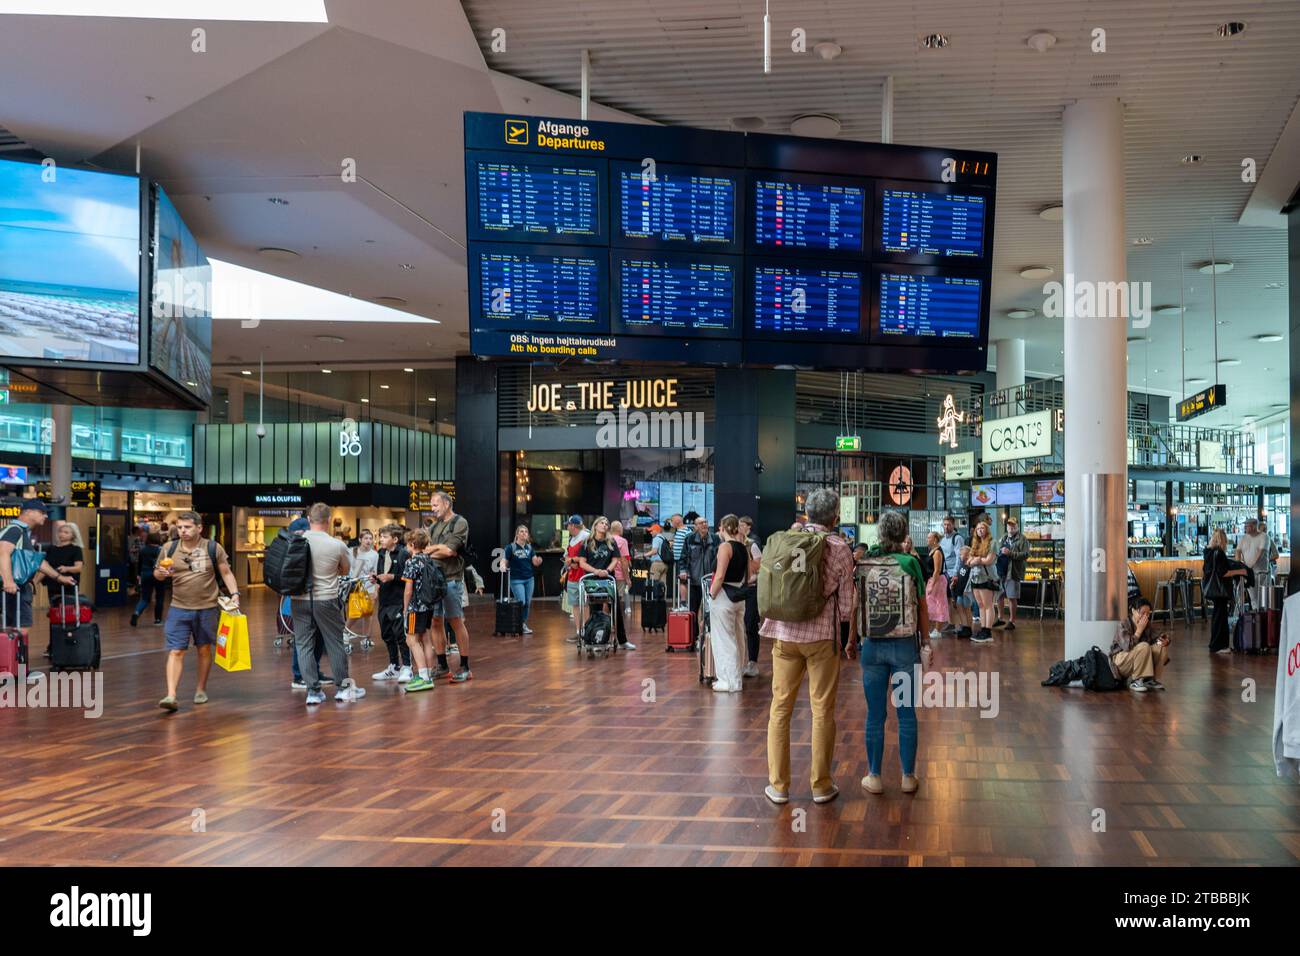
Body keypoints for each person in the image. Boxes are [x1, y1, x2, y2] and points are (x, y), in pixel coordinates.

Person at [763, 488, 855, 806]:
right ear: (834, 516)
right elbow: (846, 606)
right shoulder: (839, 547)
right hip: (820, 638)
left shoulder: (788, 538)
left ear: (807, 514)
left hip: (784, 634)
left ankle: (779, 786)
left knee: (780, 710)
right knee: (821, 711)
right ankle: (820, 785)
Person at [858, 510, 931, 795]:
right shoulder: (911, 563)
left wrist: (852, 640)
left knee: (875, 715)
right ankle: (907, 777)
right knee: (906, 713)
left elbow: (856, 606)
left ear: (880, 534)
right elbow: (922, 607)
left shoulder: (865, 562)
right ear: (903, 535)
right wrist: (926, 641)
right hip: (903, 647)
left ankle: (874, 776)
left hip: (872, 645)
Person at [154, 511, 241, 711]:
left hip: (207, 608)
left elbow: (226, 572)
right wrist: (161, 573)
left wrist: (235, 594)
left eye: (187, 527)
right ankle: (171, 695)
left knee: (203, 649)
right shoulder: (169, 548)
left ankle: (200, 689)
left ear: (199, 528)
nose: (183, 531)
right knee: (176, 650)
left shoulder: (213, 547)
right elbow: (157, 575)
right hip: (178, 607)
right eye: (180, 527)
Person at [291, 502, 362, 705]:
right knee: (334, 642)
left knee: (303, 644)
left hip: (299, 599)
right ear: (328, 520)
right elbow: (346, 570)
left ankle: (313, 692)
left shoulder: (297, 540)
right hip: (326, 599)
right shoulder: (336, 544)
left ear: (309, 519)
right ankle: (343, 688)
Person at [0, 500, 76, 682]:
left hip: (17, 588)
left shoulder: (20, 532)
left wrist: (59, 577)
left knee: (15, 628)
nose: (46, 516)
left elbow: (37, 562)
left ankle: (15, 669)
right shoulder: (14, 530)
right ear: (30, 512)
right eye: (43, 512)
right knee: (20, 628)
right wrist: (8, 581)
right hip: (14, 588)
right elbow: (2, 552)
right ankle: (16, 671)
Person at [706, 515, 758, 693]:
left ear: (724, 527)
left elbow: (719, 575)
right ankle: (736, 680)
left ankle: (726, 680)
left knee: (723, 640)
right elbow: (750, 575)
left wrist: (711, 594)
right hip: (739, 597)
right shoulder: (744, 548)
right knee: (738, 637)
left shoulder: (725, 547)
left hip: (723, 596)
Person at [426, 491, 472, 682]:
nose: (433, 508)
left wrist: (432, 550)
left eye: (435, 504)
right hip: (433, 580)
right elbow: (426, 549)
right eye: (432, 505)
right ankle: (443, 666)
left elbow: (450, 551)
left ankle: (465, 666)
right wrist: (436, 549)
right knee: (435, 622)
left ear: (446, 503)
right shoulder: (434, 526)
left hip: (452, 579)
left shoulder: (460, 522)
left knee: (455, 621)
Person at [576, 516, 635, 651]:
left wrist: (607, 570)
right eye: (601, 523)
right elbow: (582, 562)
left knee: (617, 611)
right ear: (595, 526)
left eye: (606, 523)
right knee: (595, 610)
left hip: (608, 579)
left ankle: (623, 641)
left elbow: (616, 559)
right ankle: (595, 639)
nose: (604, 525)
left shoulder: (611, 542)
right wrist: (596, 571)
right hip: (592, 579)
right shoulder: (587, 542)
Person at [400, 528, 439, 692]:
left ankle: (423, 677)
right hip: (428, 605)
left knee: (412, 640)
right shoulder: (429, 559)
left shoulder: (412, 562)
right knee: (426, 639)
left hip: (415, 607)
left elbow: (408, 589)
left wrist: (405, 608)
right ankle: (429, 674)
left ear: (411, 544)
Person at [371, 524, 412, 682]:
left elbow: (408, 577)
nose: (381, 539)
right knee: (386, 634)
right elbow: (382, 575)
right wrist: (376, 579)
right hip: (384, 601)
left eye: (385, 537)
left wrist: (392, 577)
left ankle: (407, 666)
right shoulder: (381, 553)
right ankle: (394, 666)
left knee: (401, 635)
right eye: (381, 536)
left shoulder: (403, 554)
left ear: (395, 539)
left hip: (398, 600)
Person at [1110, 598, 1171, 691]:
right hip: (1121, 661)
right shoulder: (1123, 624)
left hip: (1136, 657)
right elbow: (1127, 647)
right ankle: (1136, 681)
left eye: (1148, 614)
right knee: (1144, 646)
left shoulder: (1147, 625)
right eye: (1142, 613)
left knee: (1160, 647)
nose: (1145, 617)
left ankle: (1149, 680)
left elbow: (1160, 635)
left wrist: (1165, 640)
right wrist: (1139, 631)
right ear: (1133, 611)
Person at [1205, 528, 1248, 654]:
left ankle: (1217, 644)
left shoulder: (1208, 553)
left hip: (1213, 589)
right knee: (1220, 617)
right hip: (1220, 590)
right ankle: (1218, 646)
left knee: (1217, 616)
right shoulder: (1219, 553)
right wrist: (1241, 571)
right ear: (1222, 540)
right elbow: (1223, 573)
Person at [992, 516, 1030, 630]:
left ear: (1017, 526)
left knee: (1012, 597)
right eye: (1009, 525)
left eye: (1013, 525)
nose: (1011, 527)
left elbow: (1026, 555)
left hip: (1013, 572)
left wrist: (1010, 553)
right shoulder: (1003, 537)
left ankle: (1012, 621)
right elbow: (998, 551)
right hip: (1001, 571)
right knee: (999, 596)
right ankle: (1000, 618)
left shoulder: (1023, 539)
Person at [504, 525, 542, 634]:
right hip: (516, 580)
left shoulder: (529, 548)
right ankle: (517, 623)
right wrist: (502, 565)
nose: (524, 533)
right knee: (521, 601)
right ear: (517, 534)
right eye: (521, 531)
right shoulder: (511, 547)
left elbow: (535, 562)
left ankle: (522, 624)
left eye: (526, 531)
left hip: (529, 579)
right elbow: (504, 560)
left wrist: (539, 560)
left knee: (527, 603)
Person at [737, 516, 763, 678]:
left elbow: (759, 569)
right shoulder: (733, 545)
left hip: (751, 590)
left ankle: (752, 662)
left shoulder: (753, 545)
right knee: (739, 627)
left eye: (740, 525)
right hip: (738, 591)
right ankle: (739, 662)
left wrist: (748, 580)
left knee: (750, 625)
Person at [965, 519, 998, 644]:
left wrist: (977, 559)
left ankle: (988, 631)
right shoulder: (976, 543)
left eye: (982, 528)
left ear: (987, 529)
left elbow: (989, 560)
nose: (980, 531)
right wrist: (974, 560)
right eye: (978, 529)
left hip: (986, 577)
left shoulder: (993, 543)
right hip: (975, 577)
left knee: (988, 604)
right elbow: (968, 560)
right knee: (980, 605)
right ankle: (982, 629)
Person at [680, 514, 717, 620]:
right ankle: (693, 635)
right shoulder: (689, 539)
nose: (704, 524)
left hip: (711, 581)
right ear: (695, 526)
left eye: (706, 522)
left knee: (710, 610)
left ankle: (709, 634)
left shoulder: (715, 538)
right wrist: (683, 571)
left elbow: (719, 558)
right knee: (693, 610)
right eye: (701, 523)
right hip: (694, 581)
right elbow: (683, 557)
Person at [348, 529, 379, 644]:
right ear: (360, 539)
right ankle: (345, 633)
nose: (368, 541)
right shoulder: (351, 552)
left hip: (369, 586)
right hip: (356, 586)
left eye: (370, 538)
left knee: (368, 613)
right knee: (356, 613)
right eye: (366, 538)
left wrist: (376, 588)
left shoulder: (374, 554)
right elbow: (347, 568)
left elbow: (376, 571)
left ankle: (366, 638)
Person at [130, 531, 165, 627]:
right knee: (159, 597)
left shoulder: (143, 550)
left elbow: (139, 563)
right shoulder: (161, 550)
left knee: (145, 598)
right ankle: (158, 620)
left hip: (145, 574)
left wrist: (138, 575)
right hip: (159, 574)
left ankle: (136, 612)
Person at [937, 516, 965, 634]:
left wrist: (955, 574)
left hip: (954, 573)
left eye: (948, 524)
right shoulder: (942, 540)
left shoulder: (957, 538)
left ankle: (961, 625)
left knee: (956, 601)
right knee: (948, 599)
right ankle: (951, 623)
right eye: (944, 524)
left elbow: (959, 556)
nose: (946, 527)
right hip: (945, 573)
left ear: (953, 525)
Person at [1235, 518, 1272, 590]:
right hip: (1249, 574)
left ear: (1254, 526)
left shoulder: (1264, 536)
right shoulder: (1243, 538)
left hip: (1262, 573)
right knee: (1253, 599)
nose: (1244, 527)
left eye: (1247, 526)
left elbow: (1261, 552)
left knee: (1263, 598)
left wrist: (1250, 566)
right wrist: (1238, 565)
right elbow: (1238, 551)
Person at [924, 531, 948, 639]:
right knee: (931, 604)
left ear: (934, 539)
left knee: (939, 604)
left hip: (937, 580)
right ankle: (933, 629)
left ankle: (938, 630)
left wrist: (932, 584)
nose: (927, 539)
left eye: (929, 538)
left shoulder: (937, 552)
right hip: (932, 579)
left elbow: (937, 570)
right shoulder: (931, 550)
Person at [949, 545, 975, 638]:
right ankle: (964, 626)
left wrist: (967, 590)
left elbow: (970, 579)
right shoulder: (962, 564)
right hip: (959, 590)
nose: (960, 556)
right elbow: (961, 576)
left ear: (968, 555)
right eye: (960, 554)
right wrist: (955, 581)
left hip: (965, 592)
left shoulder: (970, 566)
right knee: (960, 607)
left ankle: (969, 628)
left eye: (961, 554)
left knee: (967, 609)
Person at [609, 520, 632, 616]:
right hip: (619, 575)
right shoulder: (623, 541)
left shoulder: (607, 539)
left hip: (608, 573)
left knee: (608, 598)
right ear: (619, 529)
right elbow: (624, 561)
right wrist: (627, 579)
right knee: (617, 598)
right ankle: (614, 621)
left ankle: (607, 619)